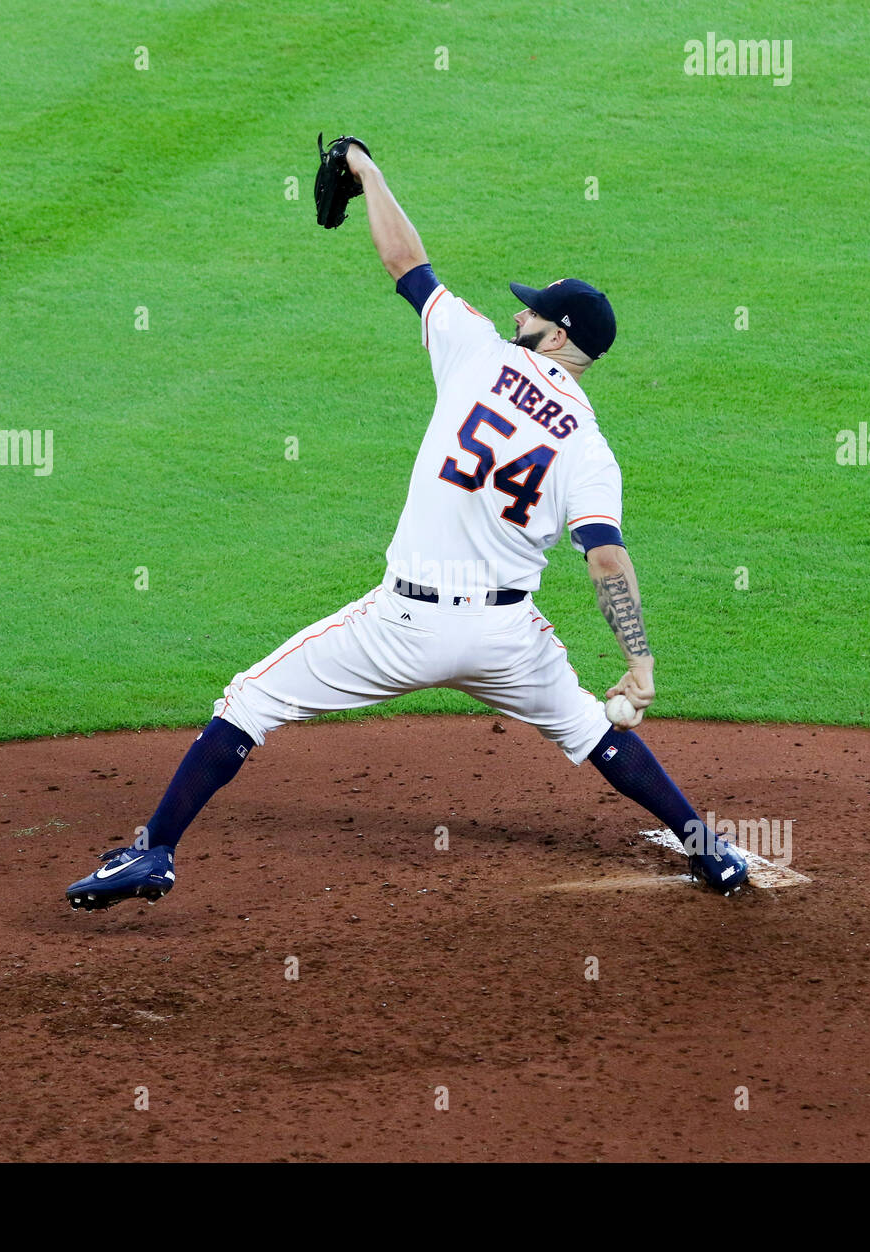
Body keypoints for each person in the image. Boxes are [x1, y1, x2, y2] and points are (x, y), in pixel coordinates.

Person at [65, 142, 749, 910]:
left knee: (249, 702)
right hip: (506, 640)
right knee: (595, 730)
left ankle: (154, 852)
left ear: (554, 336)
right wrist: (641, 660)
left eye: (531, 308)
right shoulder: (591, 449)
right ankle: (710, 849)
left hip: (403, 625)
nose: (518, 311)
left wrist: (367, 172)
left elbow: (406, 264)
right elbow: (605, 560)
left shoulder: (477, 354)